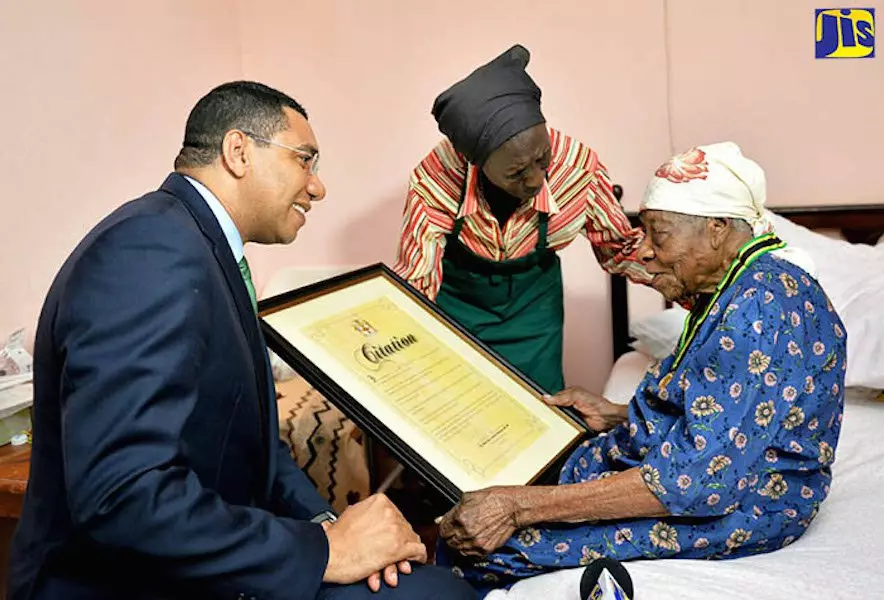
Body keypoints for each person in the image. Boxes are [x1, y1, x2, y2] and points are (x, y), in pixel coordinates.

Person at [8, 81, 476, 600]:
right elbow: (125, 493)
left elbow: (258, 447)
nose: (317, 187)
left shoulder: (197, 244)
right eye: (305, 160)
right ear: (238, 151)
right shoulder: (150, 249)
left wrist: (328, 527)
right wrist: (324, 552)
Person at [436, 142, 846, 596]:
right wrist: (618, 415)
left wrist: (518, 508)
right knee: (509, 475)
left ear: (716, 229)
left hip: (740, 504)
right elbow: (729, 411)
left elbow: (692, 483)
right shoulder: (744, 283)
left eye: (659, 234)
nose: (644, 251)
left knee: (474, 550)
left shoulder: (757, 307)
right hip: (701, 474)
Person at [393, 44, 650, 395]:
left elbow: (621, 250)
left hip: (534, 317)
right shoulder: (436, 179)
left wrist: (699, 282)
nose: (535, 180)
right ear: (476, 162)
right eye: (516, 173)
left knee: (537, 413)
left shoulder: (577, 170)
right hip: (457, 316)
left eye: (542, 159)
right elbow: (416, 285)